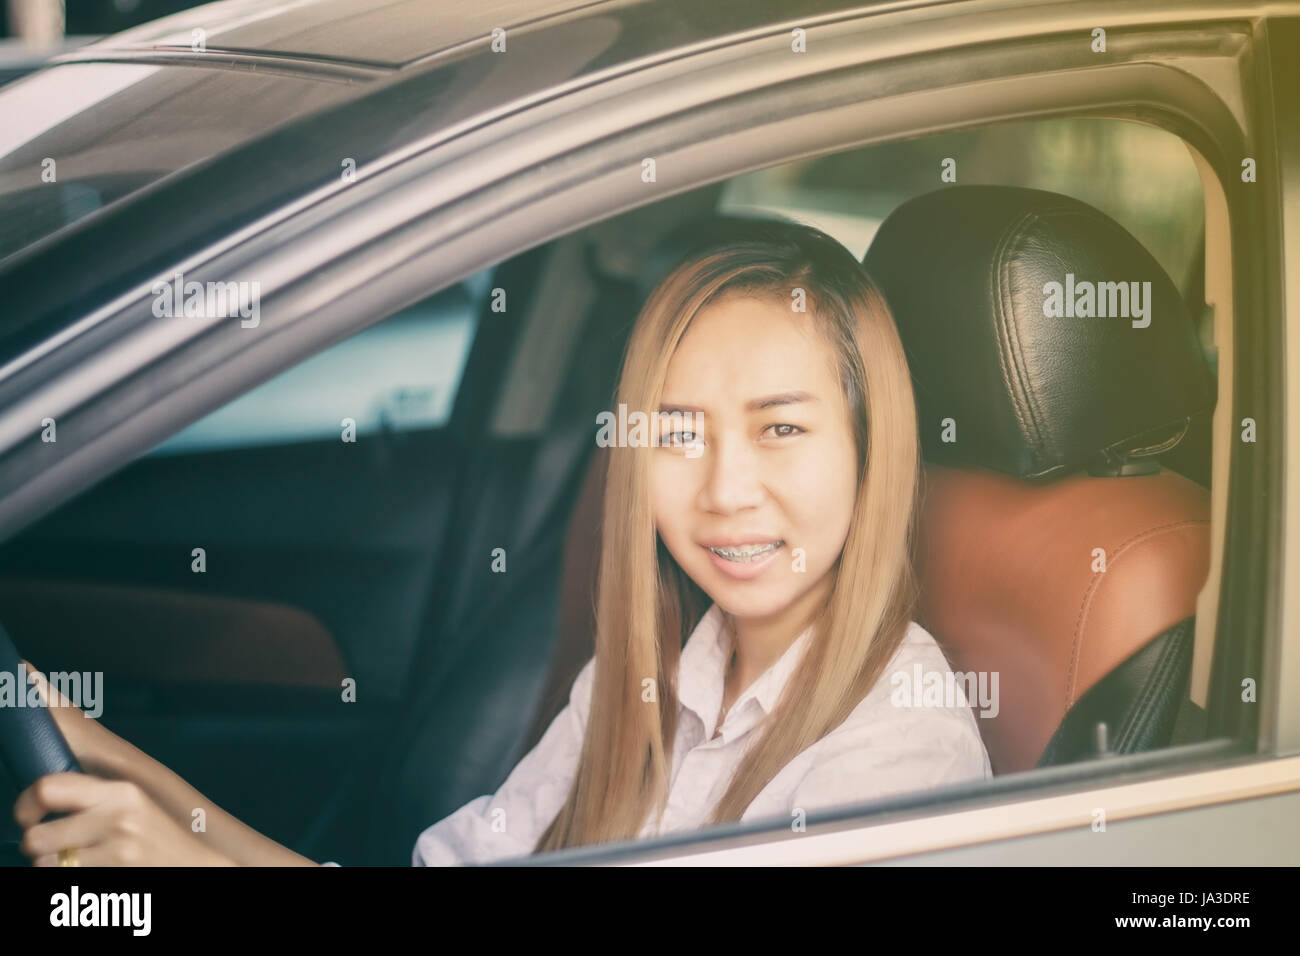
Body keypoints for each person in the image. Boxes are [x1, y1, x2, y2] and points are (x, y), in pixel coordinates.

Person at [12, 218, 991, 867]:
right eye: (676, 433)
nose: (725, 490)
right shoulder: (649, 673)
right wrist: (132, 774)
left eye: (780, 428)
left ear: (873, 449)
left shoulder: (895, 755)